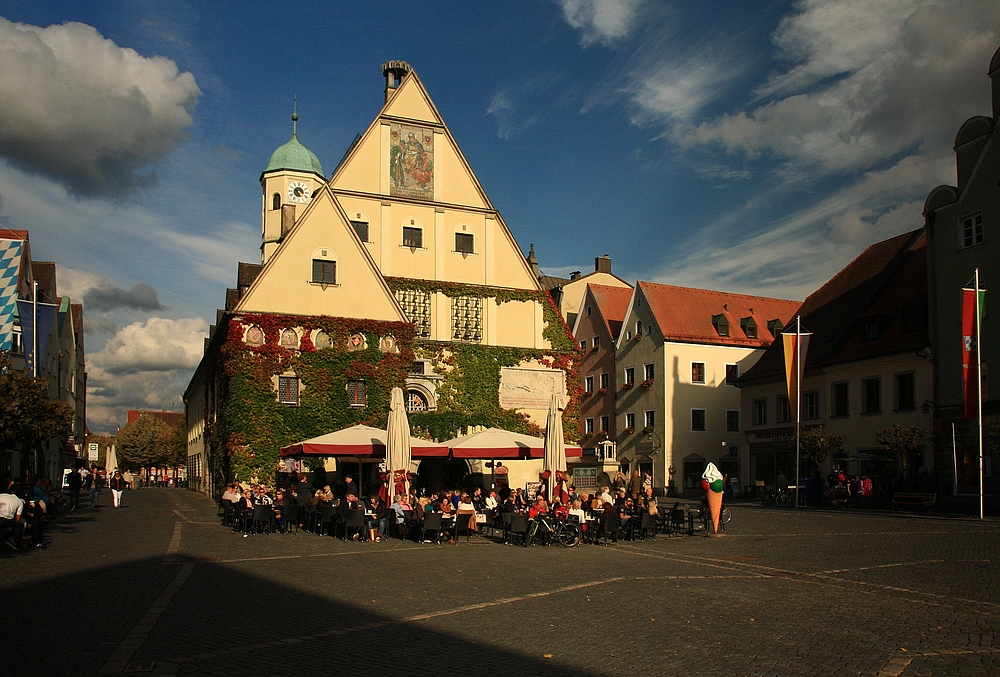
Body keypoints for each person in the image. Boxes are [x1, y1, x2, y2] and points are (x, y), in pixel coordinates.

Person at [0, 480, 26, 551]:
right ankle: (15, 540)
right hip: (5, 520)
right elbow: (18, 517)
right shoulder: (19, 502)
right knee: (19, 525)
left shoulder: (1, 495)